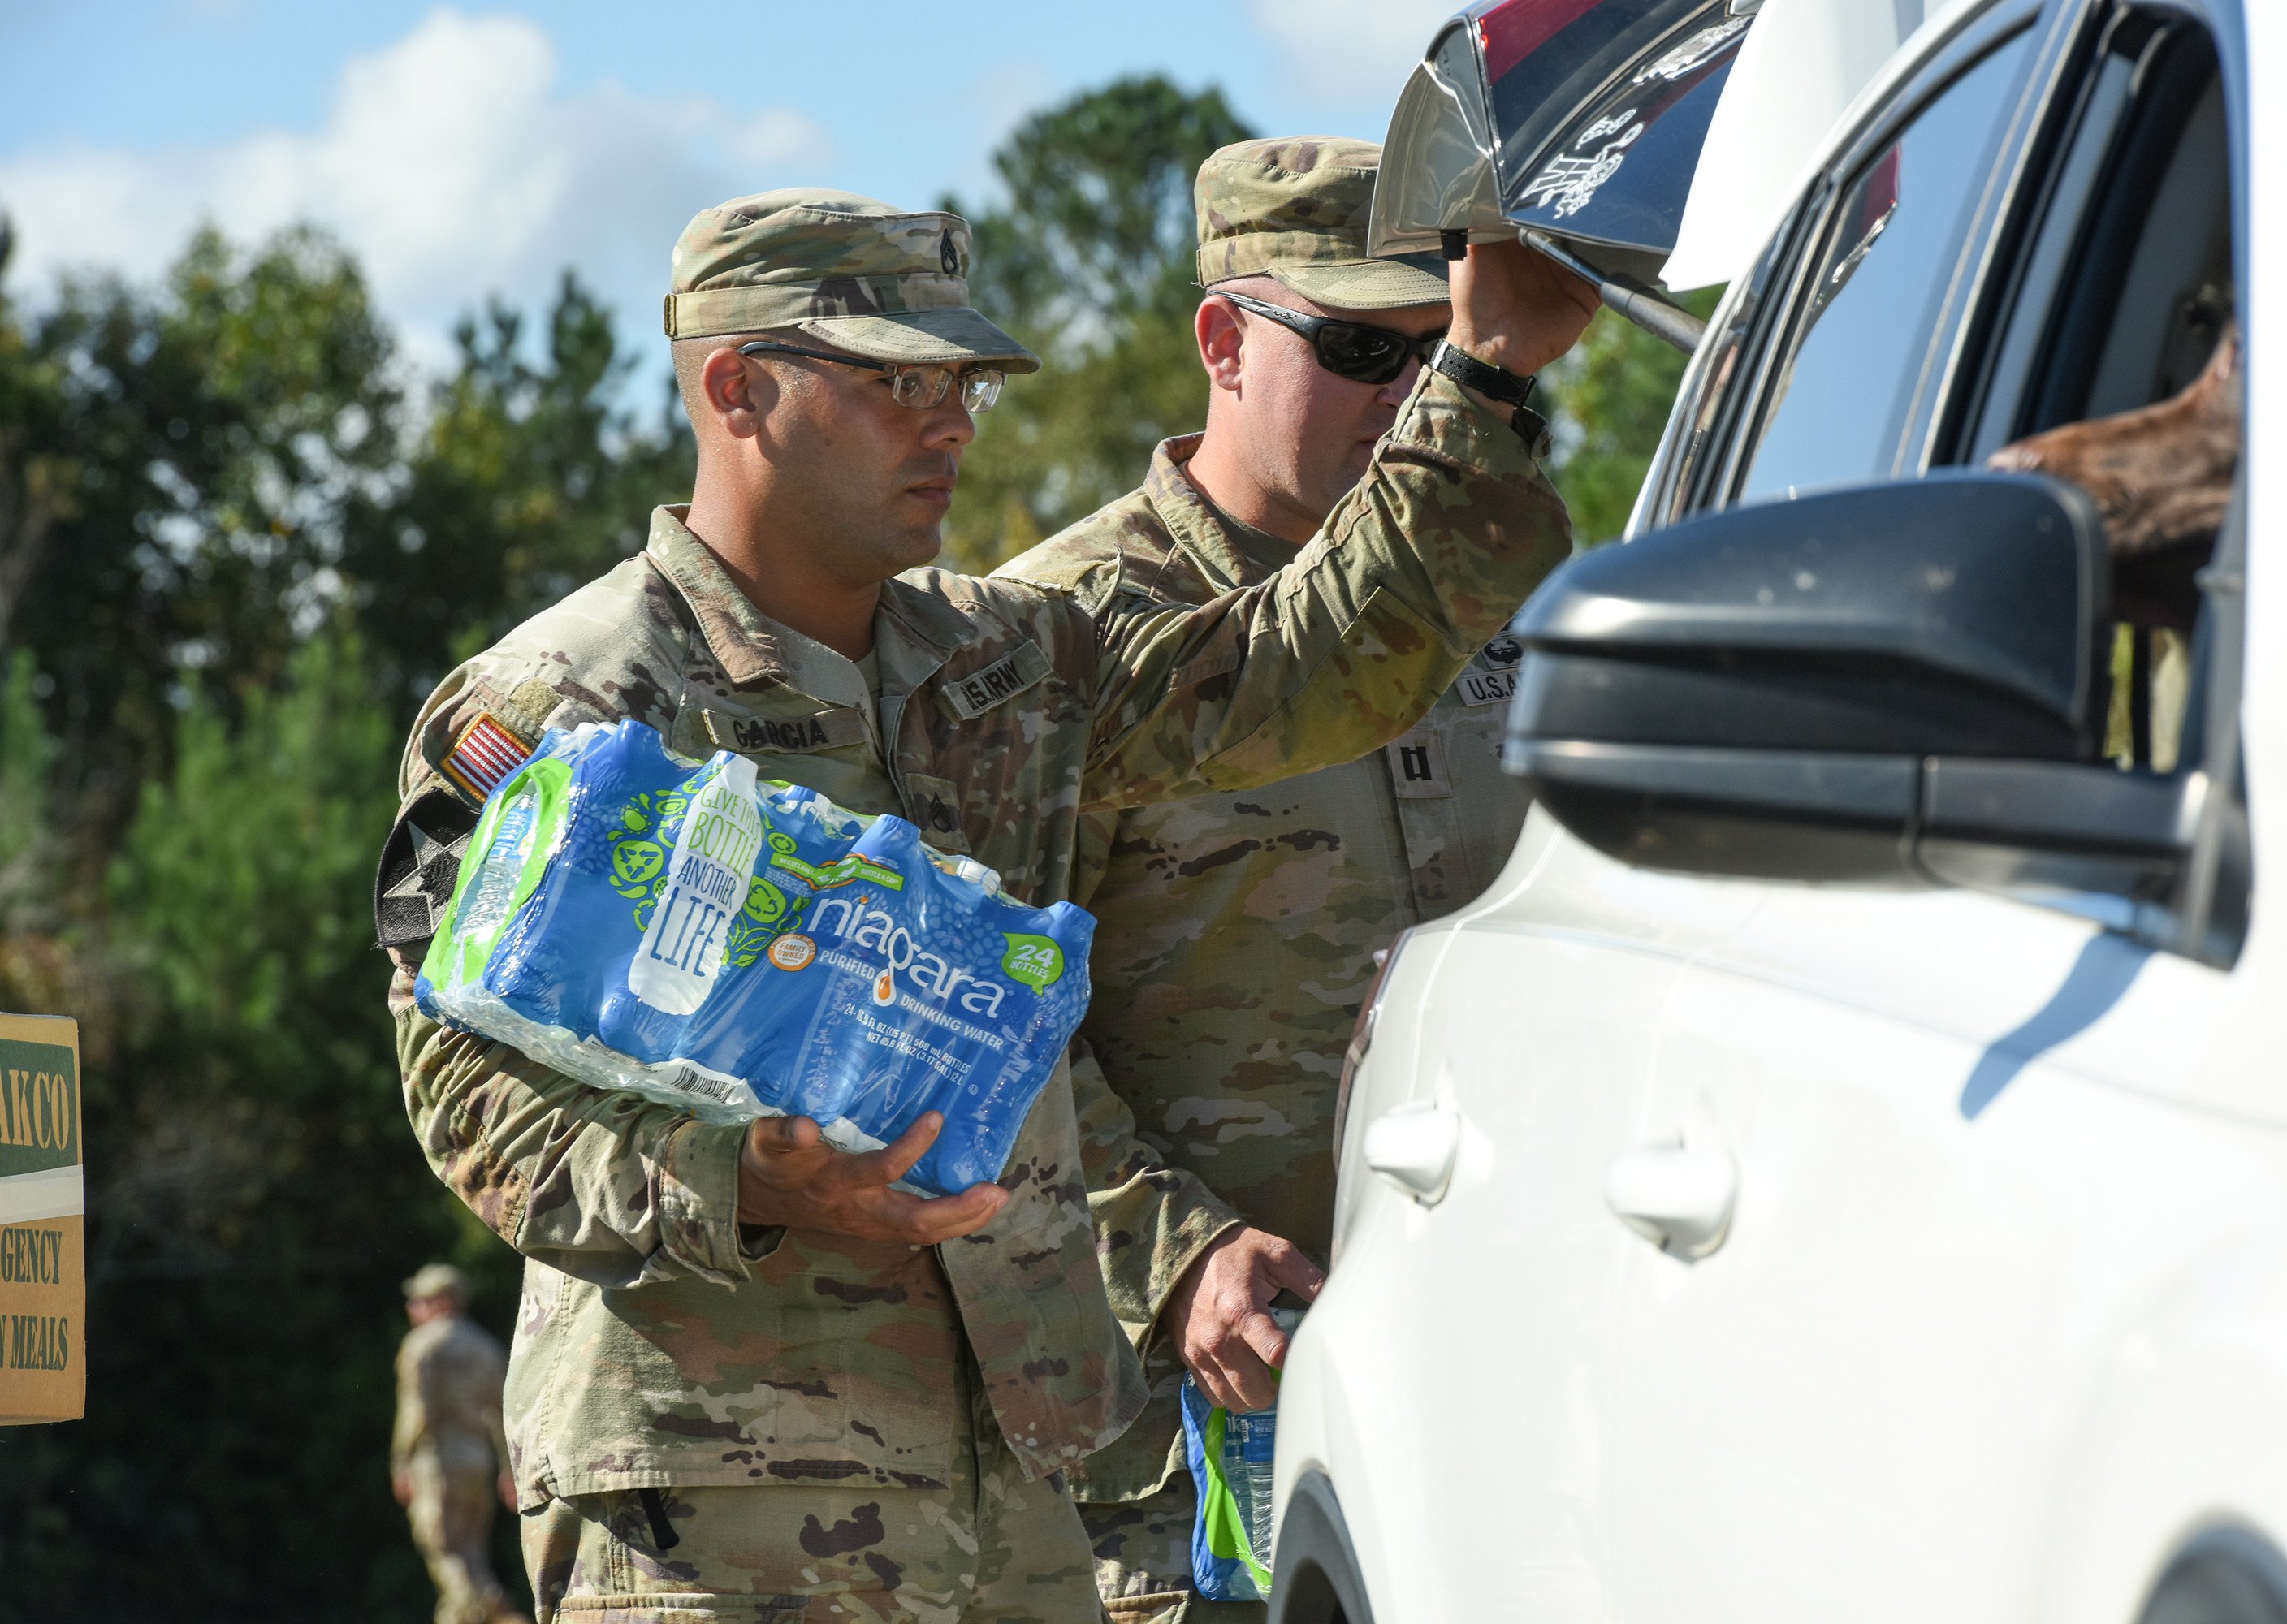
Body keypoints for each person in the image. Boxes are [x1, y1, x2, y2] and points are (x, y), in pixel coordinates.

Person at [374, 184, 1592, 1622]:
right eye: (898, 381)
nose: (949, 422)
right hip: (719, 1495)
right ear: (735, 386)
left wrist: (1484, 374)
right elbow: (467, 1092)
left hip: (1019, 1489)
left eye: (963, 384)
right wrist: (745, 1178)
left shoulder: (1001, 660)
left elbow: (1317, 668)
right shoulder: (569, 701)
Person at [991, 136, 1542, 1622]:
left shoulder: (1511, 599)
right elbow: (980, 1029)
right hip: (1210, 1436)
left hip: (1506, 1385)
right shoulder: (1046, 641)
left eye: (1441, 355)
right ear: (1224, 340)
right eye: (1364, 347)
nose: (1412, 398)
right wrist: (1179, 1255)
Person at [392, 1263, 524, 1624]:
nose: (413, 1307)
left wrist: (401, 1463)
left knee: (445, 1552)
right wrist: (508, 1469)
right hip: (478, 1462)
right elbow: (504, 1415)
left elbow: (417, 1412)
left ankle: (496, 1606)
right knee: (471, 1552)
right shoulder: (486, 1347)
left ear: (442, 1301)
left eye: (419, 1299)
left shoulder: (422, 1346)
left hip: (437, 1462)